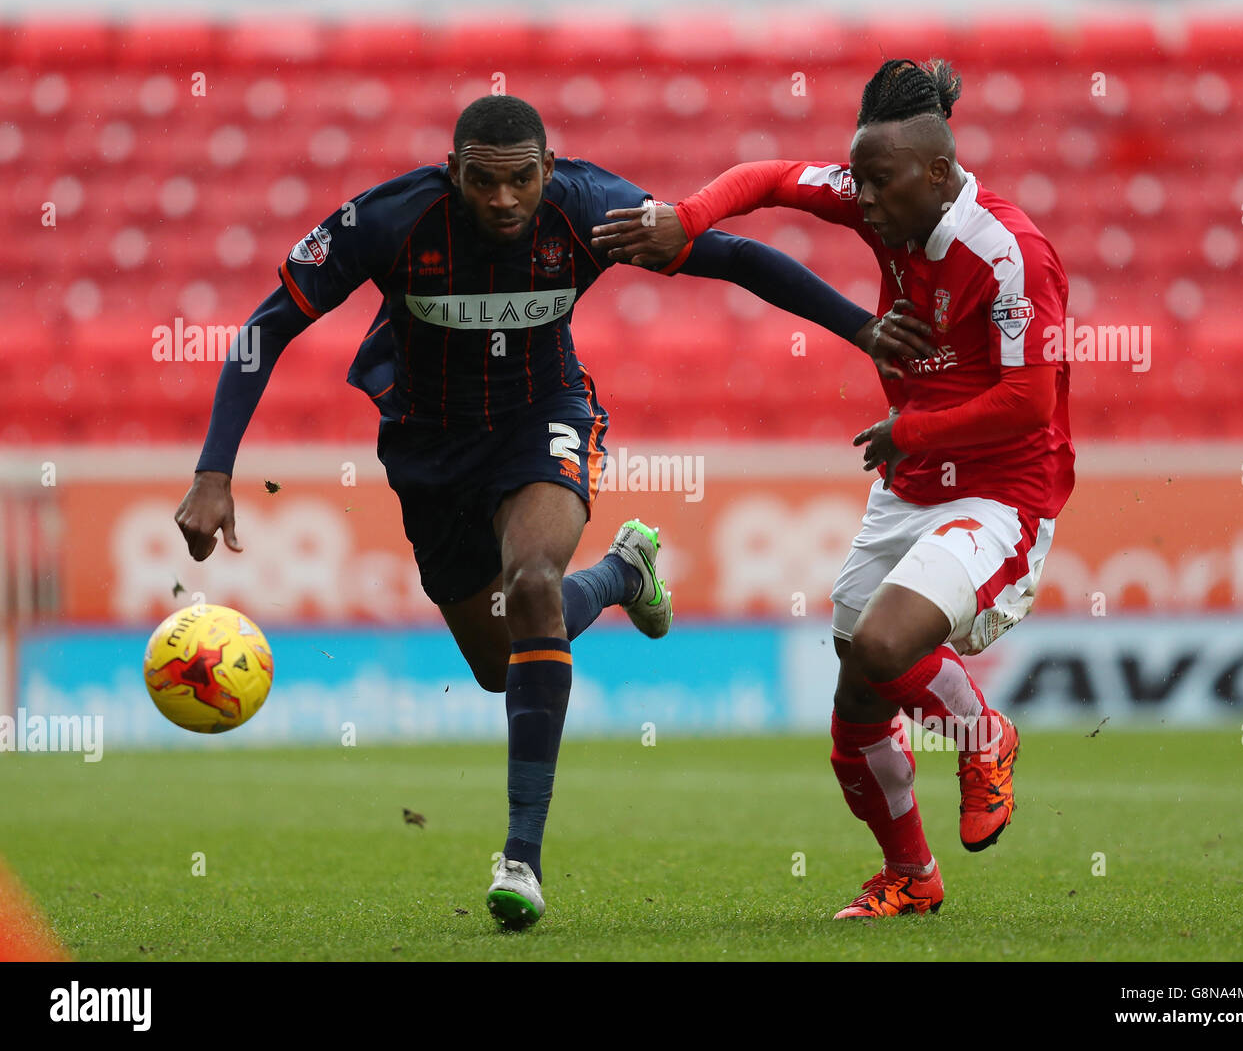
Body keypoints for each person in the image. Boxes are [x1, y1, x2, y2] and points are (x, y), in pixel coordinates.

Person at [174, 95, 887, 929]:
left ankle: (521, 858)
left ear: (549, 172)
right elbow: (268, 324)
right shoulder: (391, 220)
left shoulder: (594, 210)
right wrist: (215, 470)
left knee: (536, 583)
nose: (504, 200)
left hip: (540, 417)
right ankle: (624, 571)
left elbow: (730, 256)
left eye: (521, 180)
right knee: (496, 662)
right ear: (455, 172)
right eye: (484, 182)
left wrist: (865, 331)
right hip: (427, 449)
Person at [593, 59, 1074, 919]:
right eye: (860, 182)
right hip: (911, 484)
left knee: (887, 647)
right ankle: (912, 879)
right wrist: (686, 218)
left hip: (1002, 491)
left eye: (881, 184)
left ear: (937, 173)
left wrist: (912, 429)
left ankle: (984, 734)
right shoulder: (879, 193)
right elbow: (770, 178)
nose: (866, 202)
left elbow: (1029, 402)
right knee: (856, 705)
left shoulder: (1009, 254)